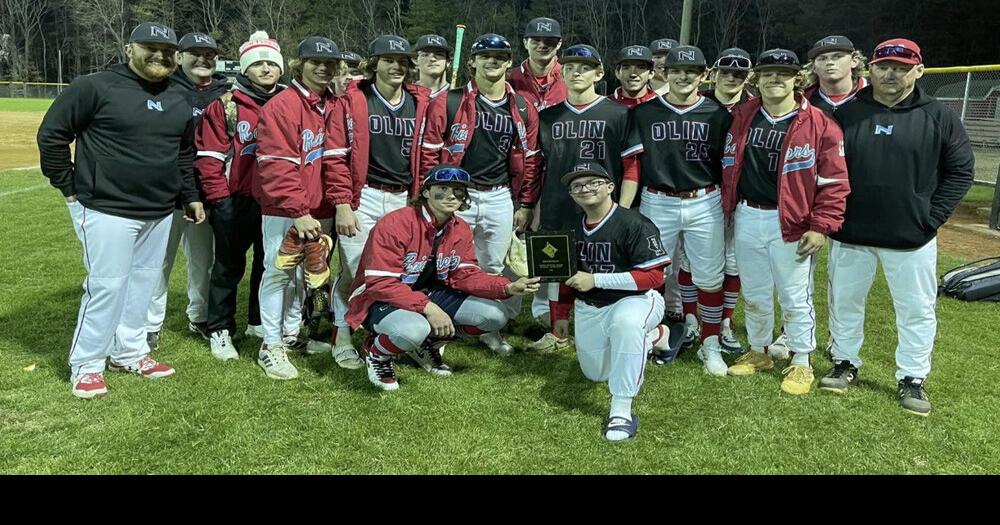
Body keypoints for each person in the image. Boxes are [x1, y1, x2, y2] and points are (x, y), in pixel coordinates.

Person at [37, 22, 202, 398]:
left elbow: (183, 153)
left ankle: (129, 352)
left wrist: (189, 195)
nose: (159, 55)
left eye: (167, 50)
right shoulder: (94, 86)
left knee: (143, 285)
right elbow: (52, 135)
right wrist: (68, 187)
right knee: (107, 287)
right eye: (150, 47)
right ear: (129, 49)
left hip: (159, 210)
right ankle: (87, 365)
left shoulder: (179, 95)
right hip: (106, 208)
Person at [824, 38, 974, 415]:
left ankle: (912, 377)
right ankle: (844, 362)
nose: (890, 74)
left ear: (918, 71)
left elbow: (960, 171)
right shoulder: (846, 114)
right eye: (884, 66)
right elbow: (826, 169)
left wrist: (930, 218)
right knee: (844, 302)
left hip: (911, 237)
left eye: (901, 68)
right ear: (869, 69)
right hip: (852, 233)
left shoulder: (938, 115)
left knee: (916, 309)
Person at [721, 48, 850, 395]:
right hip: (748, 214)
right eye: (767, 73)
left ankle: (802, 359)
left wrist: (821, 225)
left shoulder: (820, 123)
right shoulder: (743, 115)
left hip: (792, 221)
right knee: (755, 293)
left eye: (784, 73)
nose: (775, 79)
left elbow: (834, 182)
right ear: (757, 79)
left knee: (794, 295)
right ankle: (759, 351)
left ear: (798, 79)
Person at [344, 165, 541, 391]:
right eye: (443, 188)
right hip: (379, 297)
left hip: (427, 293)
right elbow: (381, 284)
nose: (451, 195)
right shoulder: (396, 223)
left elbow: (465, 275)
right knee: (413, 330)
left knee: (495, 315)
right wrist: (429, 308)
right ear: (426, 191)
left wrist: (508, 287)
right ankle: (378, 353)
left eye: (458, 190)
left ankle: (426, 345)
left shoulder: (460, 227)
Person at [325, 35, 446, 367]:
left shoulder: (420, 102)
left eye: (403, 61)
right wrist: (342, 203)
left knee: (401, 272)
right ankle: (341, 334)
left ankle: (386, 333)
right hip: (363, 196)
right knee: (354, 271)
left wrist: (424, 201)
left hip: (405, 198)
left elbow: (428, 158)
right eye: (389, 60)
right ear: (374, 64)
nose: (397, 66)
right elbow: (336, 157)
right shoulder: (354, 99)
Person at [626, 45, 733, 375]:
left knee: (710, 276)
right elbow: (632, 163)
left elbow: (728, 164)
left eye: (691, 71)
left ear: (703, 75)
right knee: (652, 272)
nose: (683, 76)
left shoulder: (717, 114)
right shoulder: (644, 112)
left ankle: (710, 344)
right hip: (658, 199)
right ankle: (650, 336)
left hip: (705, 198)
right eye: (676, 70)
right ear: (664, 72)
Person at [553, 163, 674, 441]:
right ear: (571, 194)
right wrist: (560, 313)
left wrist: (597, 279)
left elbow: (654, 277)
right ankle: (655, 337)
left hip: (636, 300)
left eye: (593, 182)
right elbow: (564, 275)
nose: (585, 188)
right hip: (590, 306)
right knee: (596, 374)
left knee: (626, 324)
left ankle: (621, 411)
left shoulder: (635, 223)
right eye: (577, 185)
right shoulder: (570, 227)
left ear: (610, 187)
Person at [529, 44, 637, 352]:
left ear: (599, 74)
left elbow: (631, 165)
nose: (576, 73)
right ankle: (559, 332)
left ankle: (607, 327)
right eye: (570, 68)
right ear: (561, 74)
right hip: (558, 203)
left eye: (585, 68)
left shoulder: (618, 113)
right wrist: (534, 208)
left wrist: (622, 210)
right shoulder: (547, 116)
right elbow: (540, 168)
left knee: (604, 267)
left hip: (602, 206)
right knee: (557, 268)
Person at [441, 33, 540, 354]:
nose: (492, 62)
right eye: (485, 56)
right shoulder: (452, 100)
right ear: (472, 61)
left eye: (499, 57)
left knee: (493, 266)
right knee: (448, 261)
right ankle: (442, 325)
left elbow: (530, 160)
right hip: (460, 194)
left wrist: (526, 203)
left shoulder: (522, 105)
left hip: (500, 195)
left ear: (509, 63)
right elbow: (433, 153)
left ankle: (488, 327)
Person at [253, 36, 343, 379]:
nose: (323, 68)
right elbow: (276, 166)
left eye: (329, 63)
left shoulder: (333, 104)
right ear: (299, 65)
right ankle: (270, 344)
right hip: (285, 208)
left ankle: (291, 334)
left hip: (320, 207)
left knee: (307, 277)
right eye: (315, 62)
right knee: (278, 273)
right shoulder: (283, 105)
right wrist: (298, 211)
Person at [195, 30, 285, 359]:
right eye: (257, 63)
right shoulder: (226, 105)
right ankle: (219, 328)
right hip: (236, 199)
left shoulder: (289, 101)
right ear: (245, 68)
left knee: (269, 264)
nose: (266, 68)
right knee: (227, 267)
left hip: (276, 201)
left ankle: (258, 322)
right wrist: (220, 200)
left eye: (271, 63)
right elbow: (209, 158)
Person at [145, 31, 229, 351]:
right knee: (158, 262)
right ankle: (150, 324)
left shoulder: (226, 93)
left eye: (209, 55)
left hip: (205, 192)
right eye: (195, 53)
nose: (203, 59)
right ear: (180, 57)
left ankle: (200, 315)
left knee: (203, 259)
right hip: (168, 192)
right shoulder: (164, 88)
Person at [508, 17, 567, 111]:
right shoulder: (510, 78)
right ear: (525, 43)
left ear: (559, 43)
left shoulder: (570, 78)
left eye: (549, 41)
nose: (542, 45)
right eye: (536, 40)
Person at [803, 35, 868, 115]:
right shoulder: (803, 102)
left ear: (854, 61)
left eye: (837, 56)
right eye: (822, 58)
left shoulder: (873, 96)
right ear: (813, 66)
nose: (829, 62)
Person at [413, 34, 452, 99]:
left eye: (439, 54)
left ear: (448, 62)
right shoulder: (405, 95)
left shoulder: (459, 98)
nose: (432, 59)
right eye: (425, 55)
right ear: (415, 61)